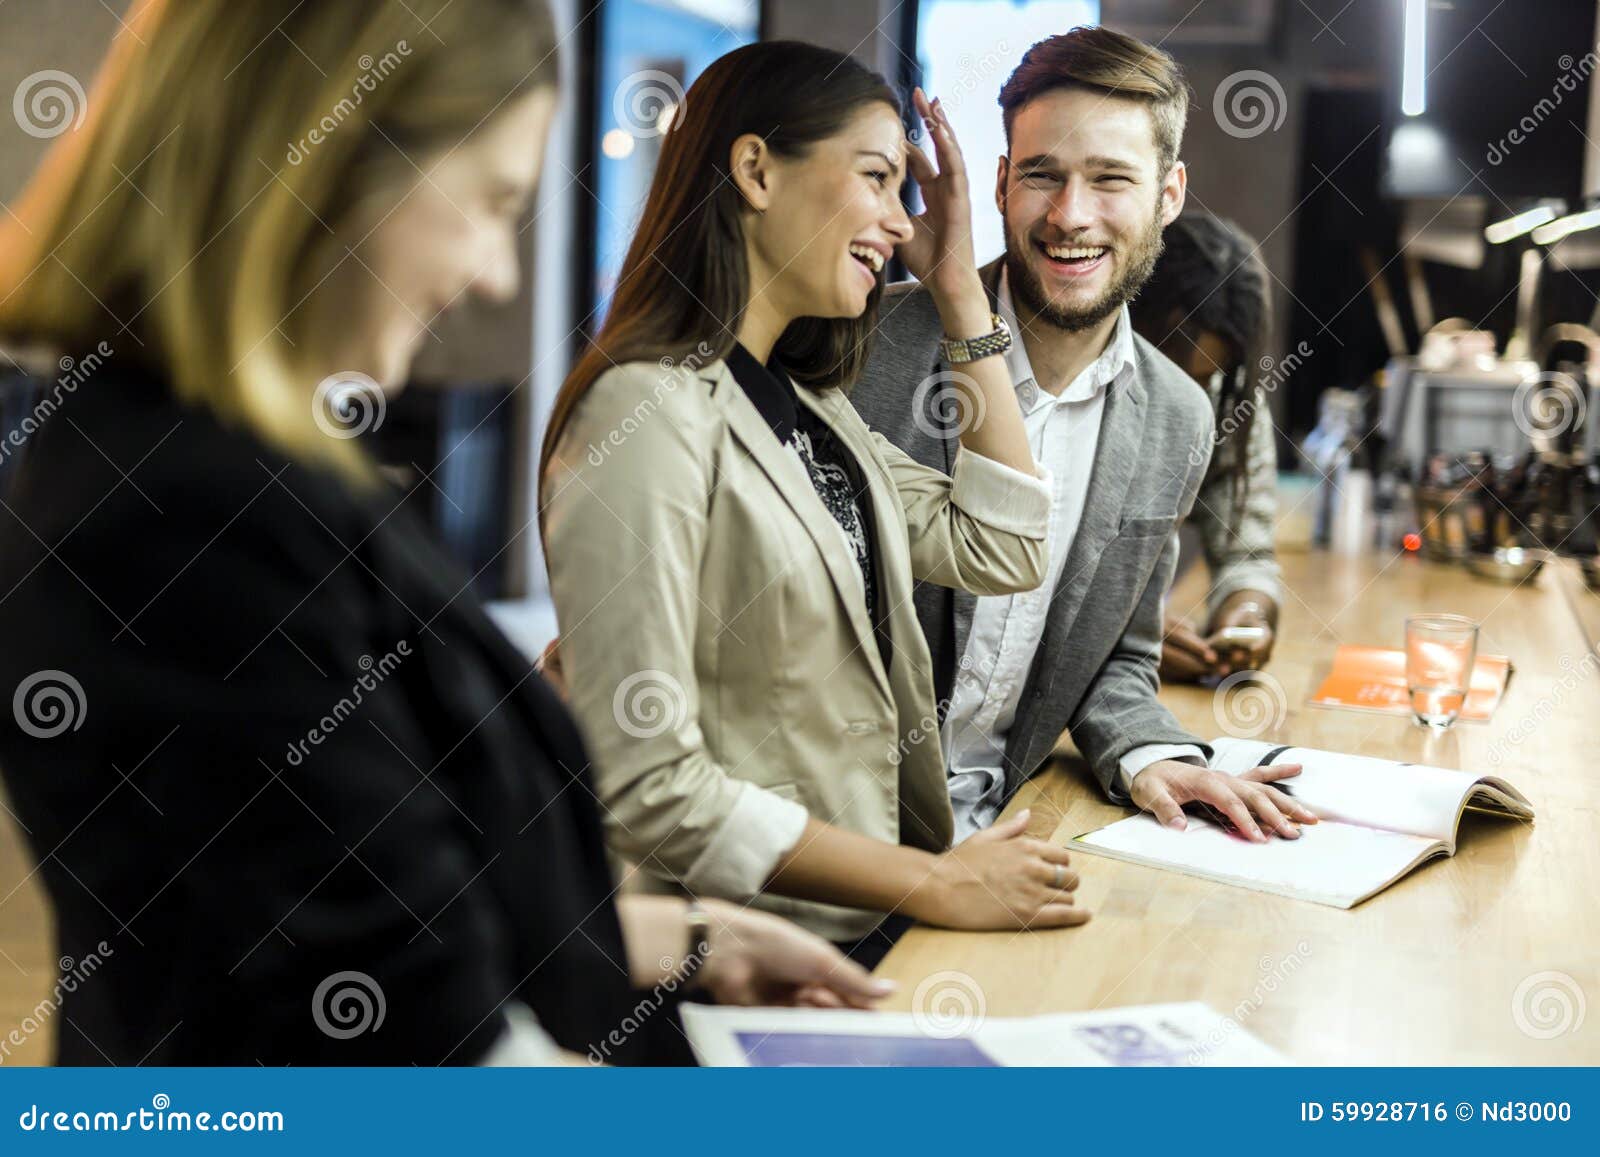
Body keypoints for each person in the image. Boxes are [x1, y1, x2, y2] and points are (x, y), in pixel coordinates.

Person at [0, 0, 887, 1067]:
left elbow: (402, 896)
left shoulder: (247, 461)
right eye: (489, 203)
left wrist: (689, 938)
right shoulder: (182, 515)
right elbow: (402, 1032)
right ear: (323, 161)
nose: (494, 275)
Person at [539, 40, 1087, 964]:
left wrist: (959, 287)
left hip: (864, 923)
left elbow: (1003, 545)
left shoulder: (807, 407)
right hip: (742, 953)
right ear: (754, 169)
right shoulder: (646, 408)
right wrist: (935, 879)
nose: (898, 219)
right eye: (877, 177)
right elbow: (651, 784)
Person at [850, 27, 1317, 842]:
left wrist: (1149, 752)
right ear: (999, 184)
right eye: (1042, 175)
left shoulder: (1178, 417)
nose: (1071, 216)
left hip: (1010, 830)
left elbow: (1118, 657)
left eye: (1111, 180)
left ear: (1169, 194)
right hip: (839, 845)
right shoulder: (861, 348)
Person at [1128, 213, 1283, 683]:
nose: (1191, 401)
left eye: (1206, 378)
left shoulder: (1228, 401)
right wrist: (1123, 635)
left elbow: (1246, 557)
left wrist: (1249, 615)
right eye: (1171, 370)